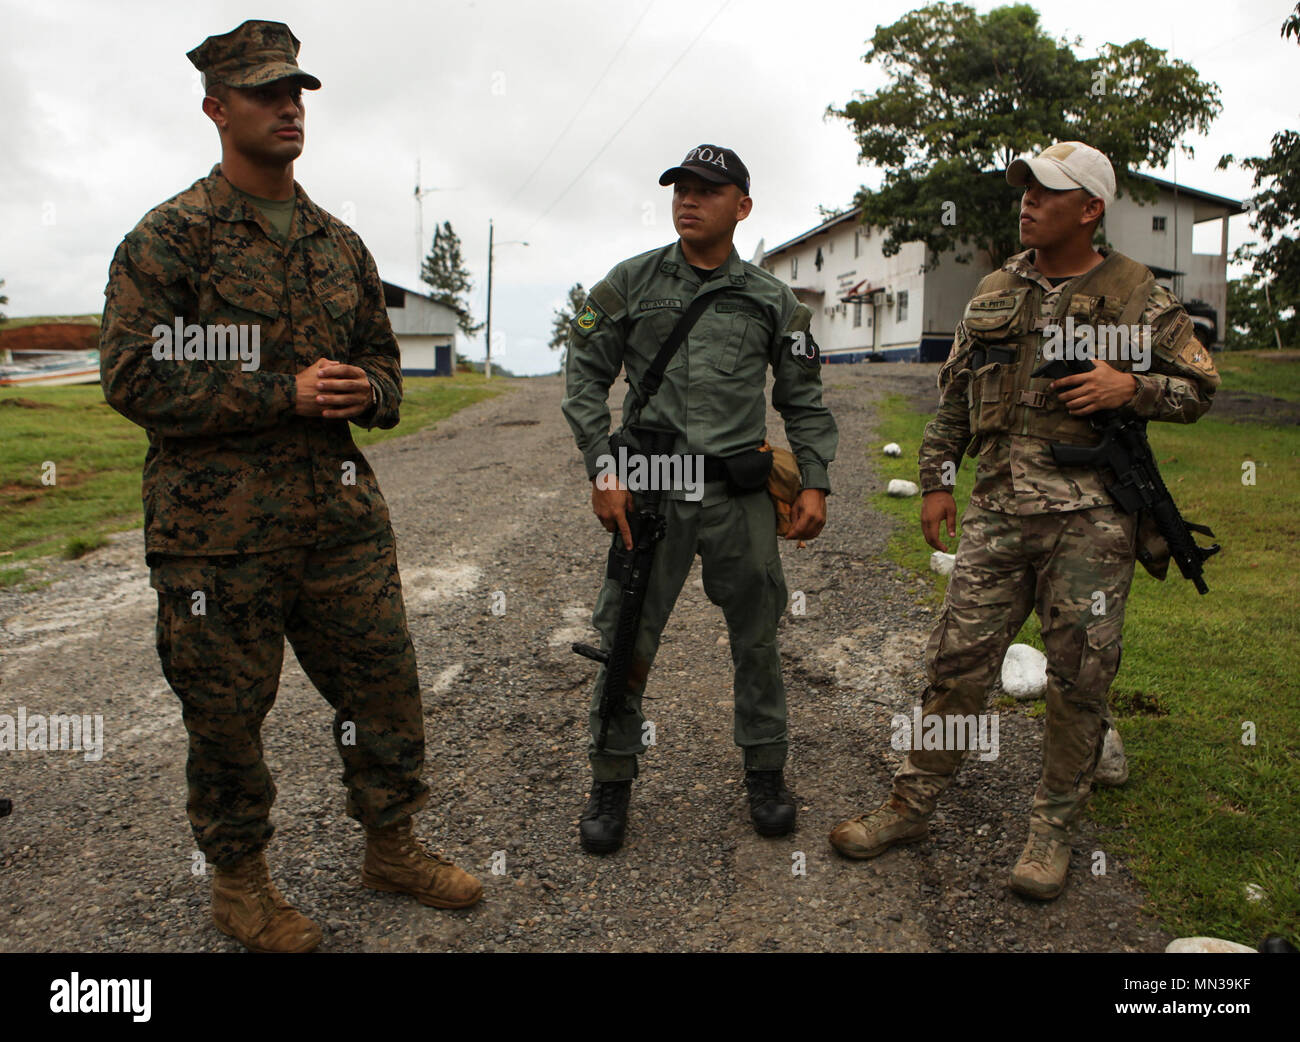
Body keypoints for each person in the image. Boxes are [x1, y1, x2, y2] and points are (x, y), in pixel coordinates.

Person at [99, 20, 481, 953]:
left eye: (297, 91)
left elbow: (385, 368)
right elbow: (133, 376)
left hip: (340, 521)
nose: (288, 107)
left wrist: (371, 390)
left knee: (383, 689)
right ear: (215, 107)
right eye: (267, 92)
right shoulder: (170, 238)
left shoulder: (338, 244)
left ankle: (391, 845)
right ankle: (240, 886)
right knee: (226, 715)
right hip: (215, 535)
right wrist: (283, 390)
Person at [829, 141, 1220, 899]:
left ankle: (1051, 834)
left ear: (1090, 208)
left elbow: (1200, 387)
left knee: (1078, 678)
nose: (1028, 201)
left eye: (1046, 192)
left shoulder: (1139, 292)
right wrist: (939, 480)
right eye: (1025, 189)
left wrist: (1127, 387)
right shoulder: (995, 287)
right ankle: (910, 806)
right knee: (956, 664)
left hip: (1091, 521)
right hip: (998, 513)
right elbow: (952, 399)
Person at [561, 145, 838, 854]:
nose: (689, 200)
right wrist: (602, 469)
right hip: (649, 492)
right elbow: (584, 377)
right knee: (626, 639)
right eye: (681, 188)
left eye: (708, 190)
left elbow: (803, 400)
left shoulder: (773, 301)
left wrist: (815, 479)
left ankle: (767, 773)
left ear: (741, 207)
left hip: (736, 497)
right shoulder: (630, 282)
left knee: (758, 640)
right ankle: (611, 779)